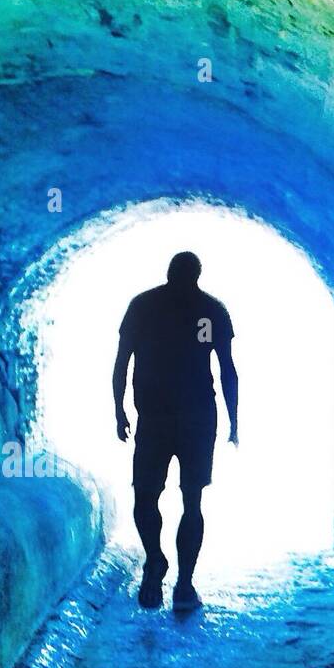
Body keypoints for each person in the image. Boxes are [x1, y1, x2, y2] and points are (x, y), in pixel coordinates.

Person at [112, 250, 238, 613]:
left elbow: (122, 363)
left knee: (149, 495)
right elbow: (227, 369)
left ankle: (160, 564)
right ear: (197, 275)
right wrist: (233, 419)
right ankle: (181, 581)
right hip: (195, 419)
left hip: (159, 418)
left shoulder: (144, 306)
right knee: (189, 500)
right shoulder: (211, 310)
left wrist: (119, 410)